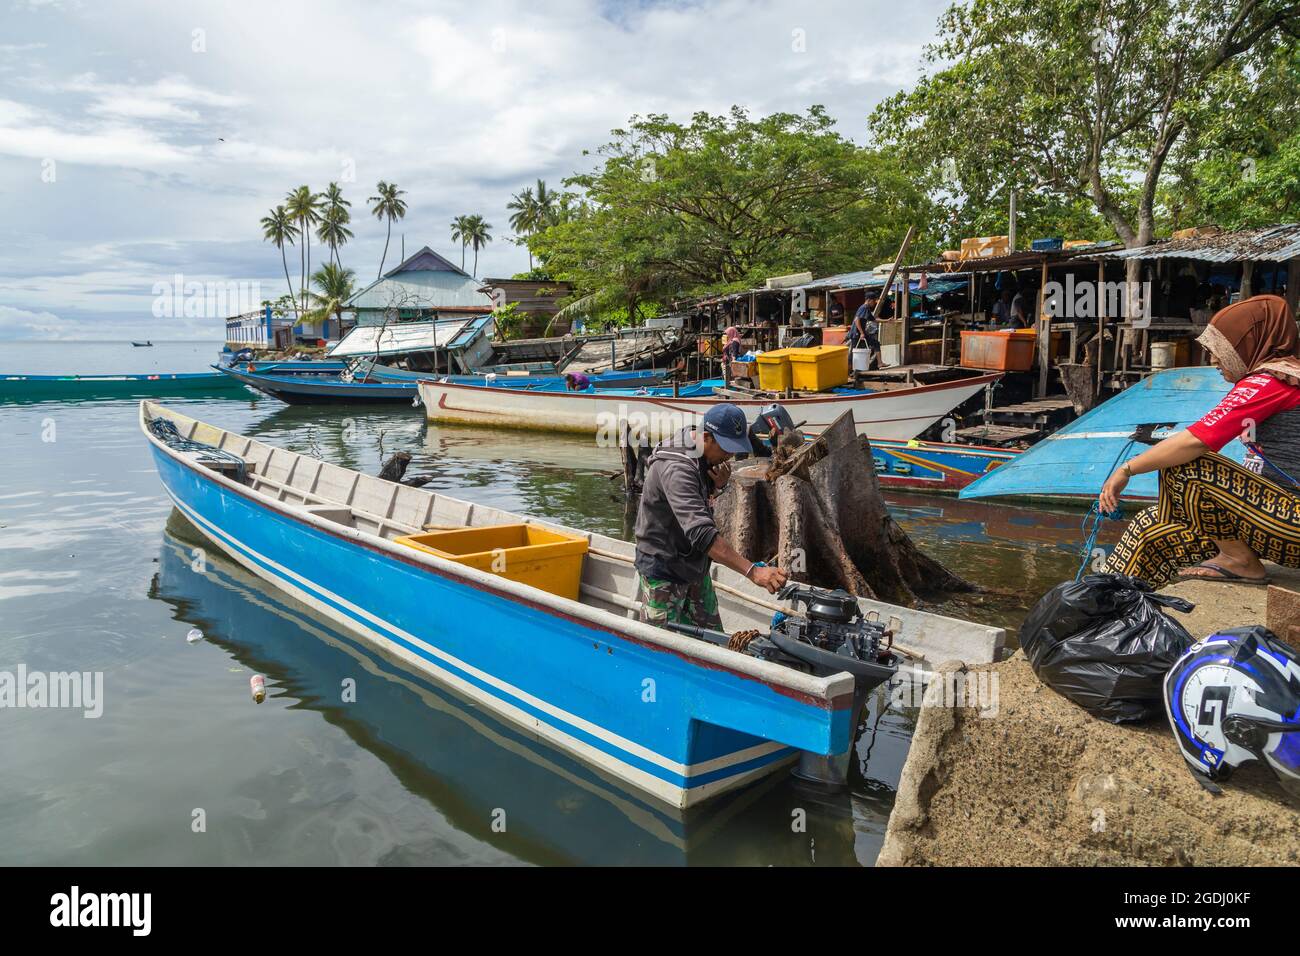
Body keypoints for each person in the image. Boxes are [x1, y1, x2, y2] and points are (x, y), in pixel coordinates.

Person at [1100, 295, 1300, 587]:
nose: (1214, 360)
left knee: (1185, 464)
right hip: (1267, 522)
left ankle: (1240, 561)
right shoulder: (1280, 378)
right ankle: (1107, 607)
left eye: (1221, 349)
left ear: (1250, 343)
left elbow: (1195, 442)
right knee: (1149, 527)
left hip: (1289, 520)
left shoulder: (1271, 382)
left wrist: (1126, 470)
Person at [634, 404, 789, 628]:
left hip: (695, 566)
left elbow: (697, 503)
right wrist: (753, 572)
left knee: (712, 639)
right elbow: (702, 534)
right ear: (706, 437)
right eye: (726, 448)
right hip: (664, 569)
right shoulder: (677, 468)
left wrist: (718, 487)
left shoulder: (700, 451)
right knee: (658, 648)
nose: (731, 455)